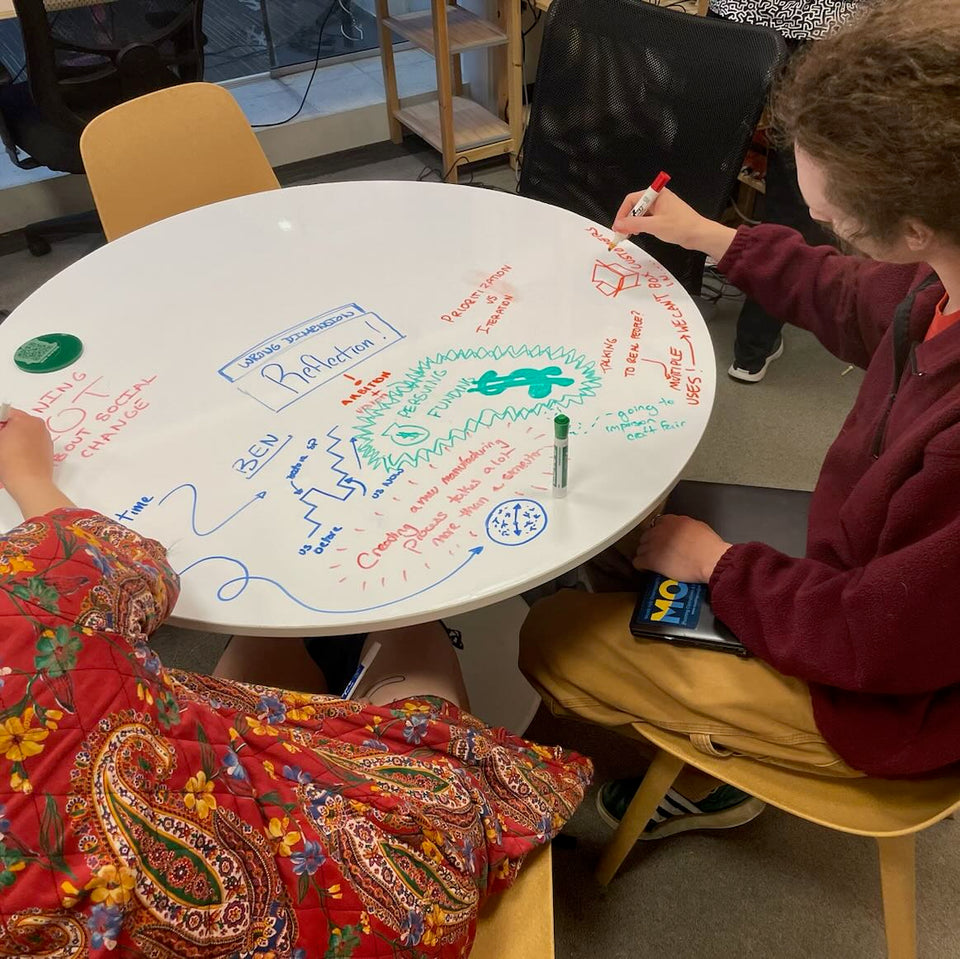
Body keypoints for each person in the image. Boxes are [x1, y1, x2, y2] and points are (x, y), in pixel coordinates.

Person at [520, 0, 960, 836]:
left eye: (828, 198)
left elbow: (877, 639)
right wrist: (714, 237)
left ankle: (719, 780)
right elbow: (848, 296)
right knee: (625, 539)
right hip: (858, 572)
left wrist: (721, 567)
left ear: (913, 225)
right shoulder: (939, 277)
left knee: (550, 640)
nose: (815, 209)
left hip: (886, 696)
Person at [0, 410, 590, 955]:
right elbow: (123, 560)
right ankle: (414, 679)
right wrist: (28, 474)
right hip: (352, 904)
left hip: (168, 839)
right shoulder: (21, 613)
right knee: (414, 632)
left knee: (217, 663)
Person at [709, 0, 863, 383]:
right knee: (796, 193)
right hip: (827, 26)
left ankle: (661, 299)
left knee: (703, 157)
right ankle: (752, 351)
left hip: (740, 18)